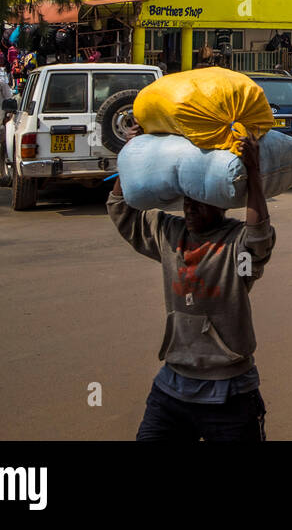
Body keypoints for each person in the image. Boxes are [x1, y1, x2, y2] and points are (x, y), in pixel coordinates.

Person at [108, 127, 275, 441]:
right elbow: (121, 211)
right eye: (187, 199)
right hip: (172, 385)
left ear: (220, 201)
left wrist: (253, 172)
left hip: (231, 393)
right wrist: (131, 153)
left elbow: (260, 236)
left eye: (200, 199)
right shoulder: (169, 233)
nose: (189, 206)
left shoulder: (235, 242)